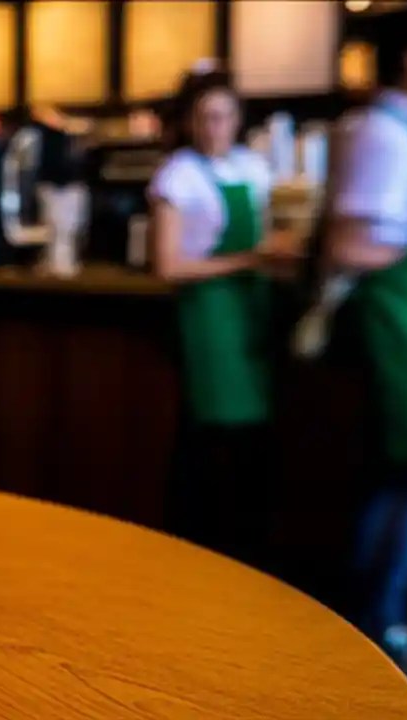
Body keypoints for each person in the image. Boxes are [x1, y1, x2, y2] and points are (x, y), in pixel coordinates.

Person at [324, 6, 407, 685]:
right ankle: (381, 624)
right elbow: (347, 244)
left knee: (403, 478)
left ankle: (370, 624)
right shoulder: (385, 135)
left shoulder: (405, 131)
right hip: (401, 327)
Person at [147, 66, 276, 563]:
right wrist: (249, 260)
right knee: (210, 437)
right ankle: (197, 549)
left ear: (238, 119)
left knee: (253, 442)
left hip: (251, 308)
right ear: (189, 122)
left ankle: (247, 553)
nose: (214, 127)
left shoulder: (253, 167)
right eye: (204, 117)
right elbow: (168, 265)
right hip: (209, 312)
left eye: (223, 116)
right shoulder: (177, 175)